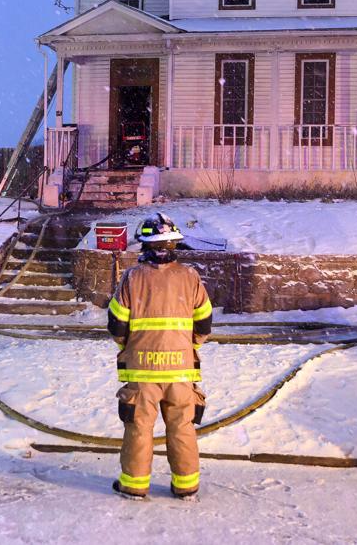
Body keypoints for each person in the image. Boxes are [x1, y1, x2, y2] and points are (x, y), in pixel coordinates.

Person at [107, 213, 213, 501]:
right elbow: (203, 324)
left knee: (139, 428)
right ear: (173, 245)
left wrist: (131, 346)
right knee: (182, 427)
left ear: (144, 246)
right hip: (180, 372)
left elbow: (117, 326)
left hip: (141, 373)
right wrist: (186, 346)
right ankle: (186, 486)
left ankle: (134, 485)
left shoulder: (132, 279)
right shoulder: (190, 278)